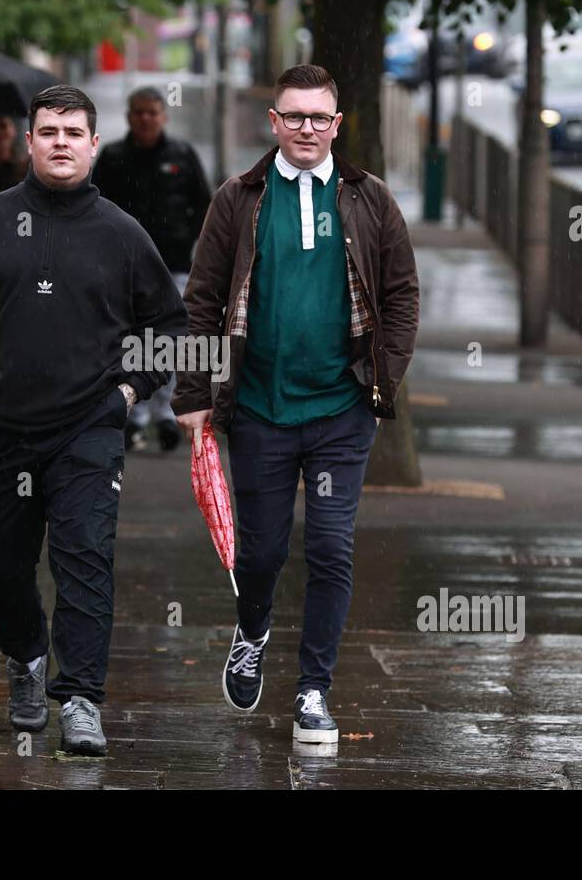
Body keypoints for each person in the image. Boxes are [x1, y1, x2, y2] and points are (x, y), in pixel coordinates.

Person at [0, 85, 187, 756]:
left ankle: (82, 699)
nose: (61, 141)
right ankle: (28, 654)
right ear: (28, 141)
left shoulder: (122, 234)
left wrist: (127, 392)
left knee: (86, 558)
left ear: (94, 144)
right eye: (48, 131)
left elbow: (171, 326)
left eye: (74, 132)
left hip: (87, 429)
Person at [172, 65, 419, 744]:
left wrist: (381, 377)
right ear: (273, 122)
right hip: (259, 409)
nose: (307, 127)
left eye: (319, 117)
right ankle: (252, 629)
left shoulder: (370, 200)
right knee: (261, 551)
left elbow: (401, 296)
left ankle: (313, 690)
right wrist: (193, 394)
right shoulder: (239, 200)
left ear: (337, 125)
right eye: (294, 116)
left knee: (332, 546)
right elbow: (203, 300)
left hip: (341, 411)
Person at [92, 86, 212, 452]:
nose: (145, 119)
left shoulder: (182, 155)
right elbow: (96, 206)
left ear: (164, 116)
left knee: (170, 341)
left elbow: (204, 205)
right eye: (139, 112)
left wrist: (189, 242)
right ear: (129, 116)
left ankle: (165, 413)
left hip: (174, 265)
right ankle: (135, 415)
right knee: (131, 340)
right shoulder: (112, 157)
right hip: (123, 269)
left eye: (152, 112)